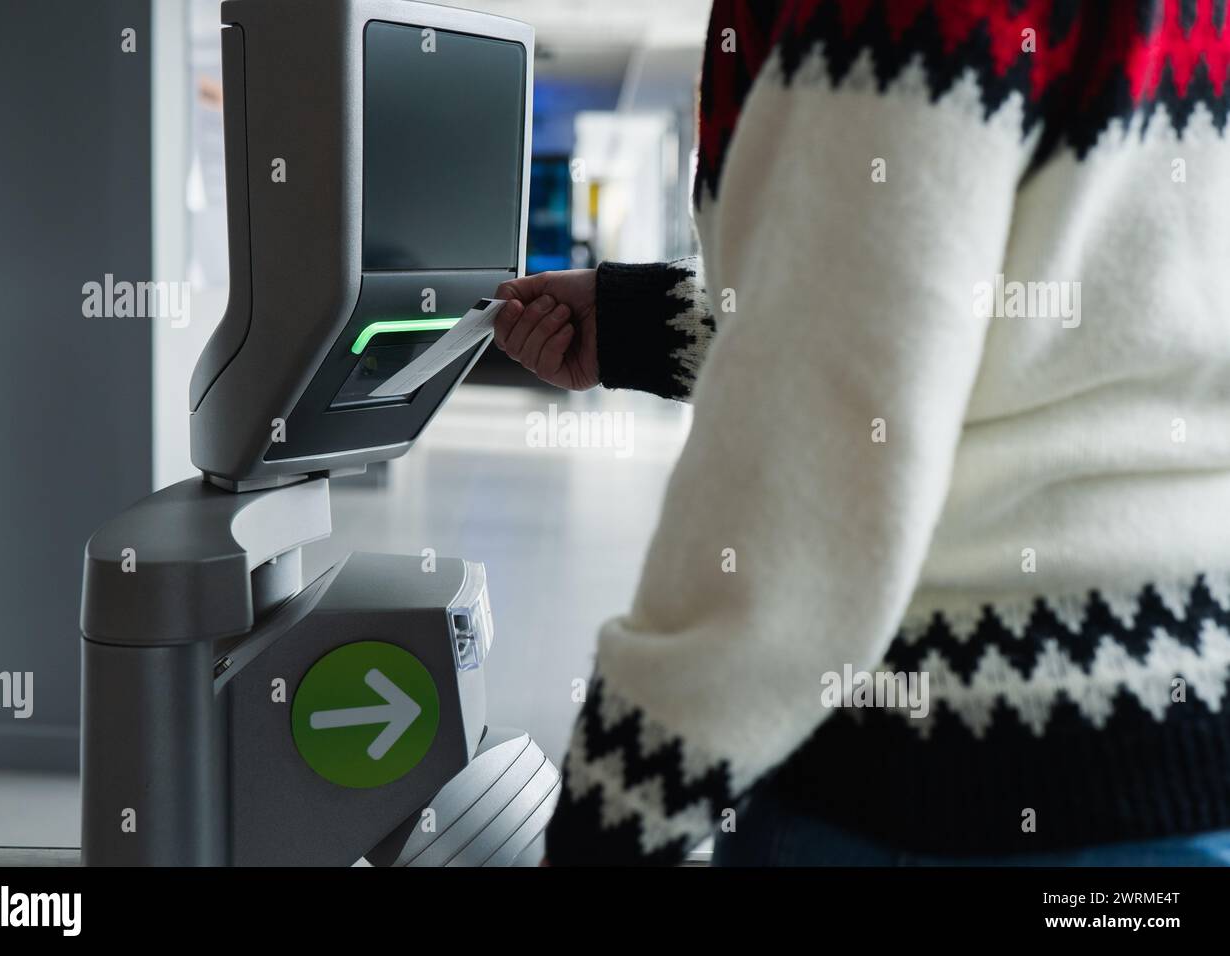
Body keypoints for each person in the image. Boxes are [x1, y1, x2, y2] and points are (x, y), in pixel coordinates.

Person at [494, 0, 1230, 866]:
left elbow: (818, 475)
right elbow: (1090, 309)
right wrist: (637, 324)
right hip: (1175, 755)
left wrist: (606, 826)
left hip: (950, 773)